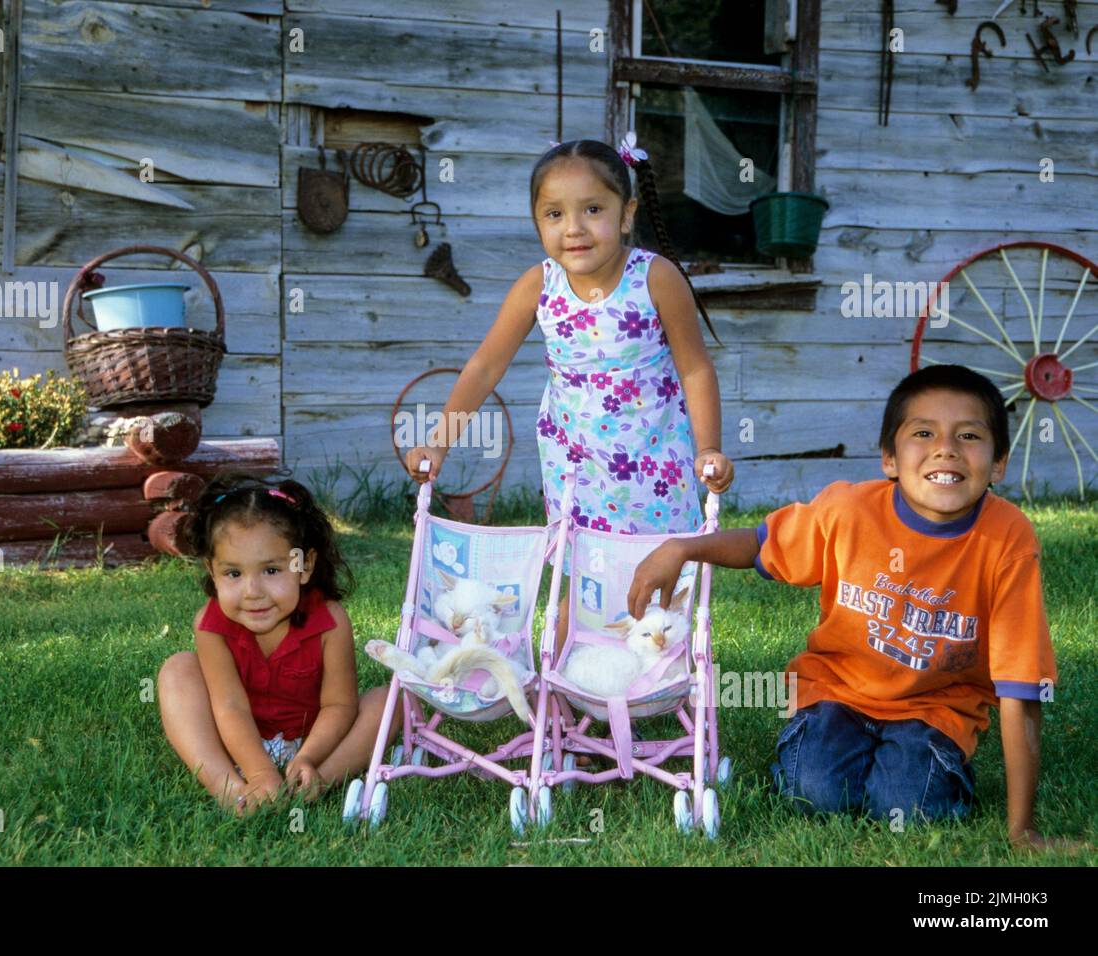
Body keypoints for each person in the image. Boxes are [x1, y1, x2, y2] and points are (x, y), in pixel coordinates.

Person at [627, 365, 1069, 849]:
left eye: (969, 435)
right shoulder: (849, 512)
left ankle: (912, 766)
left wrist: (1022, 828)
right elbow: (759, 545)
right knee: (814, 793)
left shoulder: (1007, 539)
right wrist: (682, 548)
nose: (946, 448)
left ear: (999, 463)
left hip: (936, 707)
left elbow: (1022, 685)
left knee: (908, 807)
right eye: (924, 433)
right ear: (890, 459)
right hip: (837, 693)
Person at [404, 134, 734, 646]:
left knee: (659, 584)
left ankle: (655, 683)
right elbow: (485, 367)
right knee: (583, 582)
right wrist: (440, 441)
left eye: (592, 209)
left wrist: (709, 446)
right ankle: (565, 683)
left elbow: (695, 369)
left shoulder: (656, 278)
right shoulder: (539, 286)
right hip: (577, 468)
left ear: (627, 214)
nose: (574, 229)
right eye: (554, 215)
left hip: (656, 464)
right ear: (537, 222)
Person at [158, 474, 389, 814]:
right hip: (238, 741)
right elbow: (229, 706)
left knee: (391, 700)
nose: (253, 592)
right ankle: (228, 787)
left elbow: (340, 705)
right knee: (177, 669)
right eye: (233, 574)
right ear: (212, 571)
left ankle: (316, 782)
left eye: (271, 571)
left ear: (304, 566)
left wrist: (310, 756)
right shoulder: (210, 625)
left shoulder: (330, 621)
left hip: (313, 743)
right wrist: (259, 770)